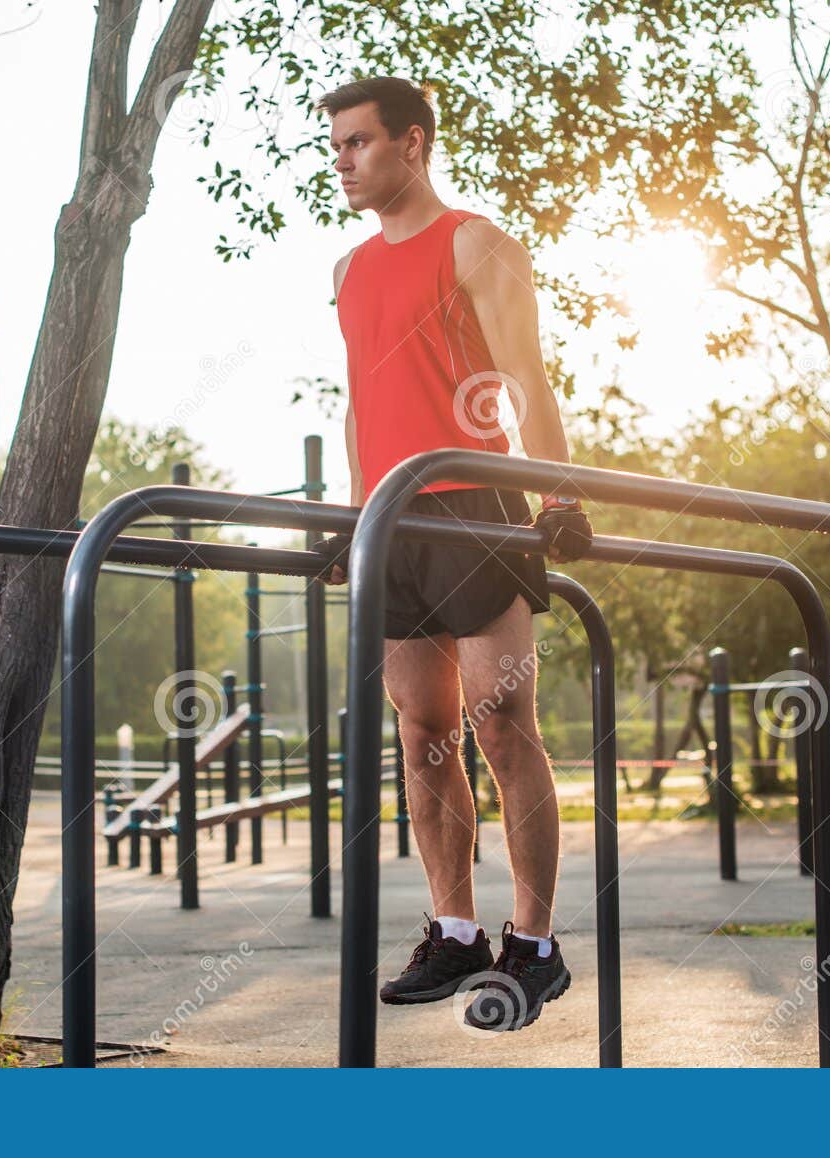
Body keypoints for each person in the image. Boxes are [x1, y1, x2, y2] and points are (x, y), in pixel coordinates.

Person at [314, 76, 593, 1032]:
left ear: (413, 144)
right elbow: (357, 408)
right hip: (392, 520)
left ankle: (535, 943)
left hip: (474, 505)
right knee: (422, 735)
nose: (342, 160)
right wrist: (355, 523)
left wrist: (561, 494)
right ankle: (456, 929)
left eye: (357, 143)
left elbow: (527, 379)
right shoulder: (348, 273)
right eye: (337, 145)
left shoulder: (476, 244)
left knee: (502, 721)